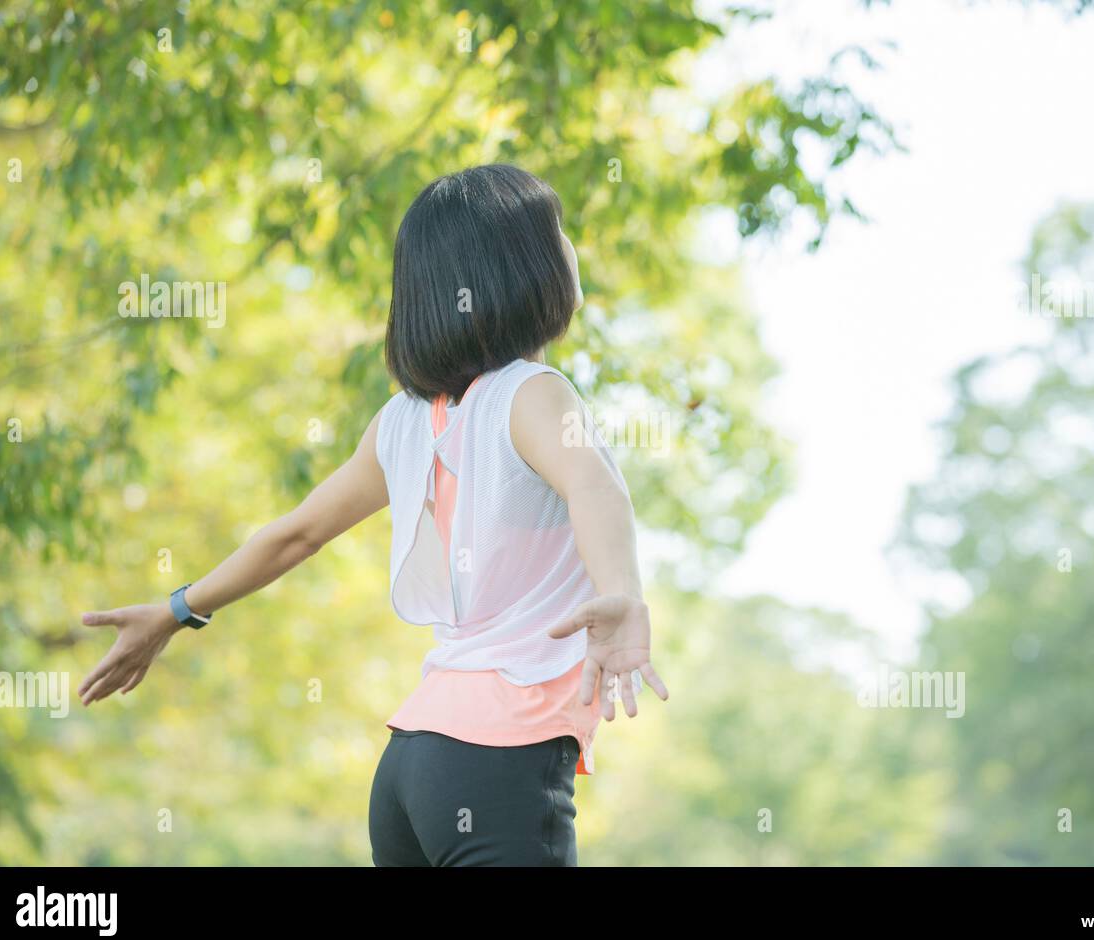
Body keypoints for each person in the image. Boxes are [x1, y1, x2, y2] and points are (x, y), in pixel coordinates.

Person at [77, 163, 669, 866]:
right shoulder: (535, 393)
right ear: (522, 266)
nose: (571, 247)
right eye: (560, 231)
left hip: (409, 773)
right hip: (498, 761)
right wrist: (622, 596)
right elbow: (593, 484)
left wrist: (177, 609)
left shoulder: (403, 421)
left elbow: (295, 534)